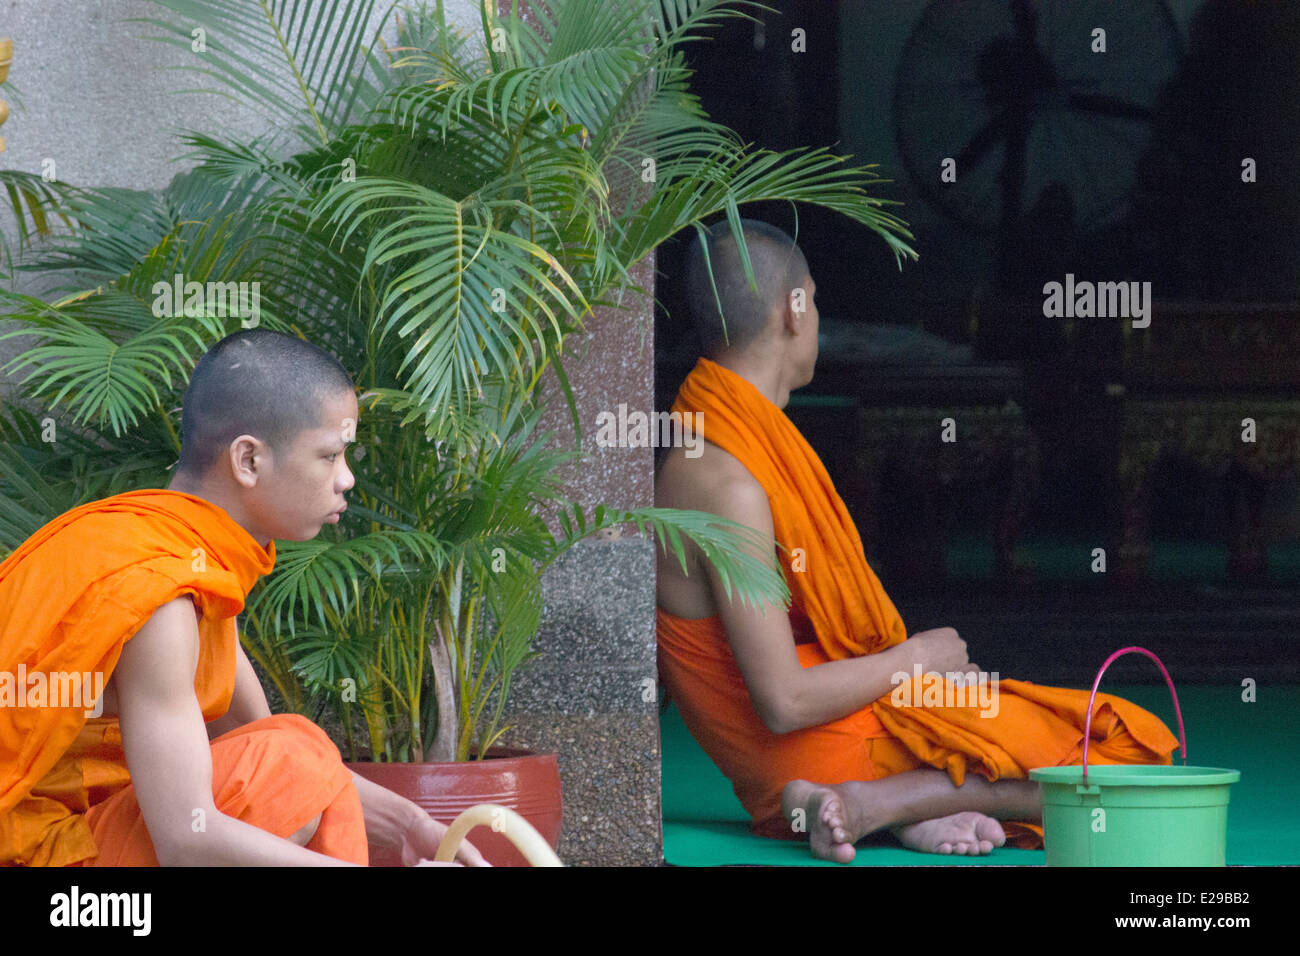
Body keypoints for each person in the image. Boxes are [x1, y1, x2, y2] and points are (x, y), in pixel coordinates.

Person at [655, 219, 1178, 863]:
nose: (816, 316)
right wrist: (917, 660)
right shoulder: (727, 481)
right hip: (810, 738)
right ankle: (889, 801)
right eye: (814, 300)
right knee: (1129, 762)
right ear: (794, 310)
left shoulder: (715, 447)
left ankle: (854, 804)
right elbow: (784, 702)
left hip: (806, 748)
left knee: (1074, 741)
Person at [0, 329, 485, 866]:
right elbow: (188, 842)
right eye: (330, 455)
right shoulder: (159, 596)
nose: (346, 478)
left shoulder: (191, 564)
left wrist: (411, 824)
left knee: (293, 750)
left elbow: (255, 733)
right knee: (287, 764)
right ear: (248, 460)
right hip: (41, 861)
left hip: (84, 835)